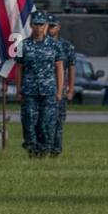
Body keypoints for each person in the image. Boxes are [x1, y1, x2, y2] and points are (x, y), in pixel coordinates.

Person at [16, 12, 64, 158]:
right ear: (31, 25)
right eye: (36, 24)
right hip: (29, 90)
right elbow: (19, 69)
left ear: (46, 26)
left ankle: (44, 149)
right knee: (29, 121)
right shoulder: (22, 45)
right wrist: (18, 90)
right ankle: (32, 148)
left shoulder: (55, 45)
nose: (39, 27)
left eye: (42, 24)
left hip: (48, 90)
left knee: (46, 122)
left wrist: (59, 90)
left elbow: (59, 68)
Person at [45, 13, 76, 156]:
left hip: (59, 89)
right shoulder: (41, 45)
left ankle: (56, 149)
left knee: (58, 121)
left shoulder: (66, 46)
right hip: (43, 88)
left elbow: (71, 67)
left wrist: (70, 89)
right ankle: (43, 148)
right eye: (48, 26)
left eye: (53, 26)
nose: (50, 29)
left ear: (58, 27)